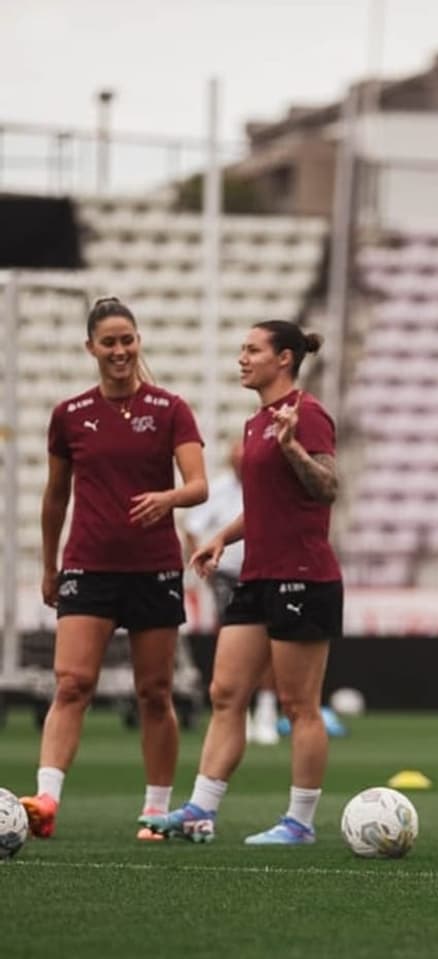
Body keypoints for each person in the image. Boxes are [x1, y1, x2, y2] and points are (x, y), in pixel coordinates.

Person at [141, 320, 342, 846]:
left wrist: (294, 448)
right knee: (226, 692)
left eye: (252, 350)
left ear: (284, 359)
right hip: (257, 575)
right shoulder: (256, 424)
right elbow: (265, 506)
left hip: (302, 576)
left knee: (300, 705)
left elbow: (328, 488)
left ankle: (299, 823)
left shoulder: (308, 414)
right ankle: (199, 811)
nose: (242, 358)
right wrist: (222, 540)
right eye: (242, 349)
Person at [20, 295, 208, 841]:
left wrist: (167, 500)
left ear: (138, 342)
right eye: (109, 341)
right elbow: (55, 497)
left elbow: (198, 485)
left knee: (154, 692)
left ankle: (155, 811)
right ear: (91, 348)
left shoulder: (171, 408)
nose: (120, 350)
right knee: (72, 683)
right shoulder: (69, 415)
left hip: (153, 567)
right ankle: (47, 799)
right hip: (88, 565)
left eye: (128, 339)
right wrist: (50, 564)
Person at [182, 441, 280, 746]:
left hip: (267, 570)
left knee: (270, 642)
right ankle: (242, 712)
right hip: (228, 575)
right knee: (236, 644)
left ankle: (266, 711)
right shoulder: (219, 490)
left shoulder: (270, 487)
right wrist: (204, 559)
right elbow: (193, 528)